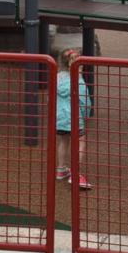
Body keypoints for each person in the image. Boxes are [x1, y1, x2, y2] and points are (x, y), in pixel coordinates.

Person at [55, 48, 93, 190]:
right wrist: (86, 115)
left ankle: (61, 169)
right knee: (80, 142)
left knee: (63, 141)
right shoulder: (79, 81)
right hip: (75, 118)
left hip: (60, 118)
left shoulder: (57, 77)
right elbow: (84, 102)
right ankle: (75, 174)